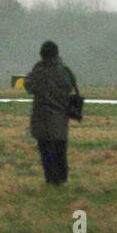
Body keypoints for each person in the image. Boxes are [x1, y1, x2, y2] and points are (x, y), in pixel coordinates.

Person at [24, 40, 77, 185]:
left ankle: (51, 180)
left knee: (46, 151)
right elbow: (70, 86)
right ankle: (62, 179)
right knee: (61, 150)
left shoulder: (39, 71)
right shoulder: (65, 71)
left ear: (42, 54)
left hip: (42, 118)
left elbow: (28, 85)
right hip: (61, 117)